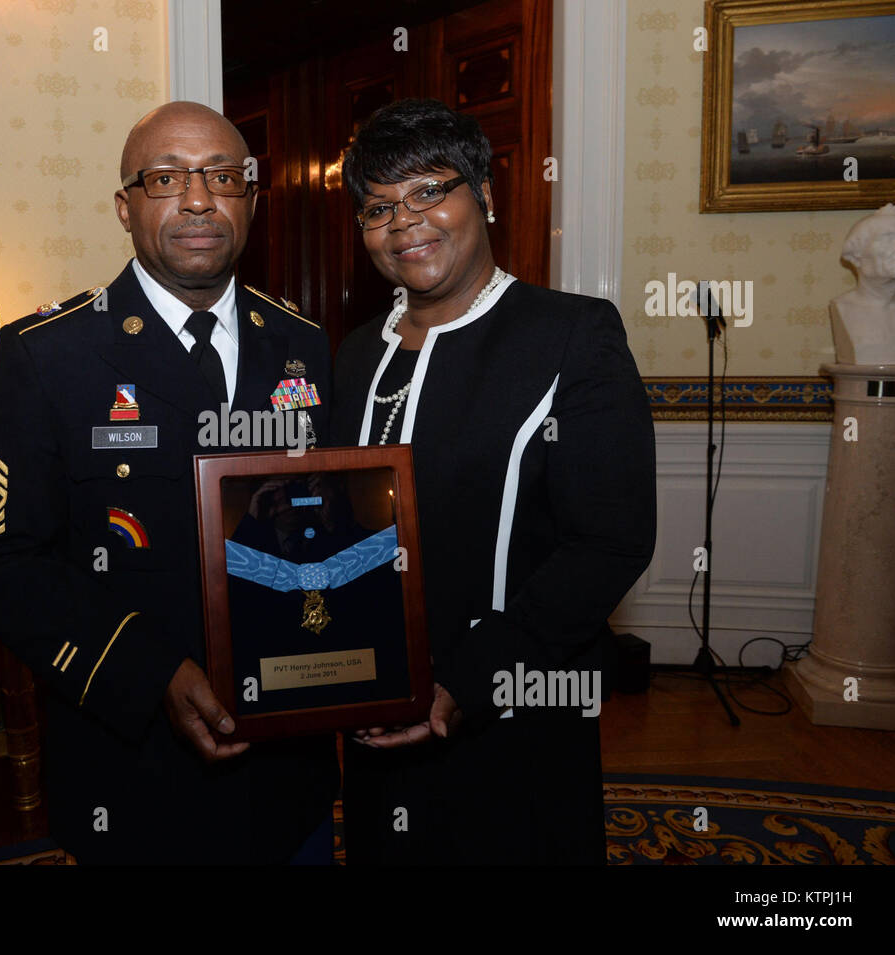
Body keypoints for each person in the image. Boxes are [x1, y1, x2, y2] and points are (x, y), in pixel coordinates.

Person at [0, 101, 338, 864]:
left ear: (251, 201)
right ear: (125, 207)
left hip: (288, 762)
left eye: (223, 177)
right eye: (167, 179)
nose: (199, 199)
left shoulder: (303, 343)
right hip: (129, 764)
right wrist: (147, 668)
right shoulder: (48, 354)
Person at [331, 98, 656, 864]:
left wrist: (465, 680)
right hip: (376, 708)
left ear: (485, 196)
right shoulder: (349, 357)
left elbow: (609, 542)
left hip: (516, 708)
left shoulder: (573, 334)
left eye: (428, 191)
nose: (404, 220)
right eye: (378, 206)